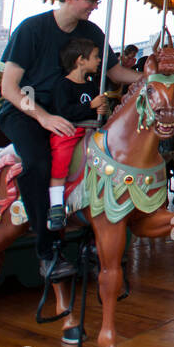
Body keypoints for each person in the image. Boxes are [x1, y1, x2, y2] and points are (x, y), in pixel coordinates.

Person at [0, 0, 143, 281]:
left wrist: (149, 79)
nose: (94, 7)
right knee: (39, 161)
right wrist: (44, 117)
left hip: (74, 110)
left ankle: (95, 235)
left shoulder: (91, 31)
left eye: (97, 2)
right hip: (27, 111)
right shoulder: (32, 29)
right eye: (90, 1)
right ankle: (48, 250)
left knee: (109, 159)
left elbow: (115, 72)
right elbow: (9, 88)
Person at [47, 39, 108, 230]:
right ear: (81, 60)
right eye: (96, 57)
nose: (99, 60)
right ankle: (56, 204)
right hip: (70, 130)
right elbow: (65, 111)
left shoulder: (92, 86)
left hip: (92, 130)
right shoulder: (63, 85)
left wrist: (102, 110)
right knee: (61, 157)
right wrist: (91, 105)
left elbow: (95, 112)